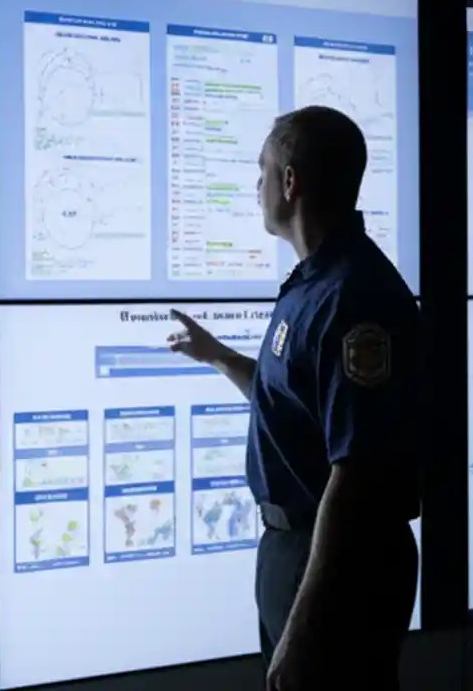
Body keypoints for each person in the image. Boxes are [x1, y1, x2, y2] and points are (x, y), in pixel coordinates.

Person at [167, 106, 424, 690]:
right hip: (298, 553)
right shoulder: (316, 283)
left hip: (336, 566)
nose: (255, 186)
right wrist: (218, 356)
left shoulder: (355, 297)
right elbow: (296, 406)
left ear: (290, 182)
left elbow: (357, 472)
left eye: (262, 170)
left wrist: (306, 623)